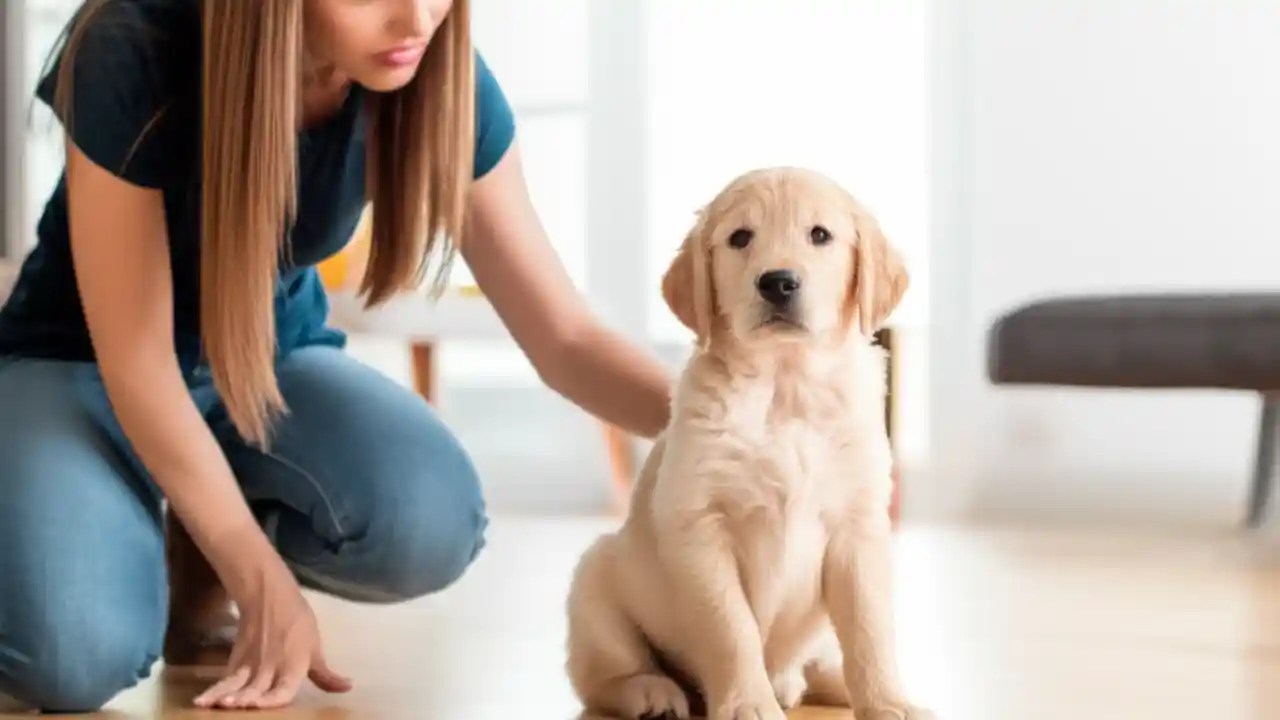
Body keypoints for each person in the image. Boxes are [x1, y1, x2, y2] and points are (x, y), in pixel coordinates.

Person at [0, 0, 672, 713]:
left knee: (429, 520)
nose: (416, 18)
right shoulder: (134, 43)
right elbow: (140, 368)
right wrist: (262, 579)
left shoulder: (435, 75)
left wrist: (747, 421)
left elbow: (564, 339)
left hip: (267, 360)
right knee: (70, 656)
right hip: (81, 361)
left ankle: (198, 549)